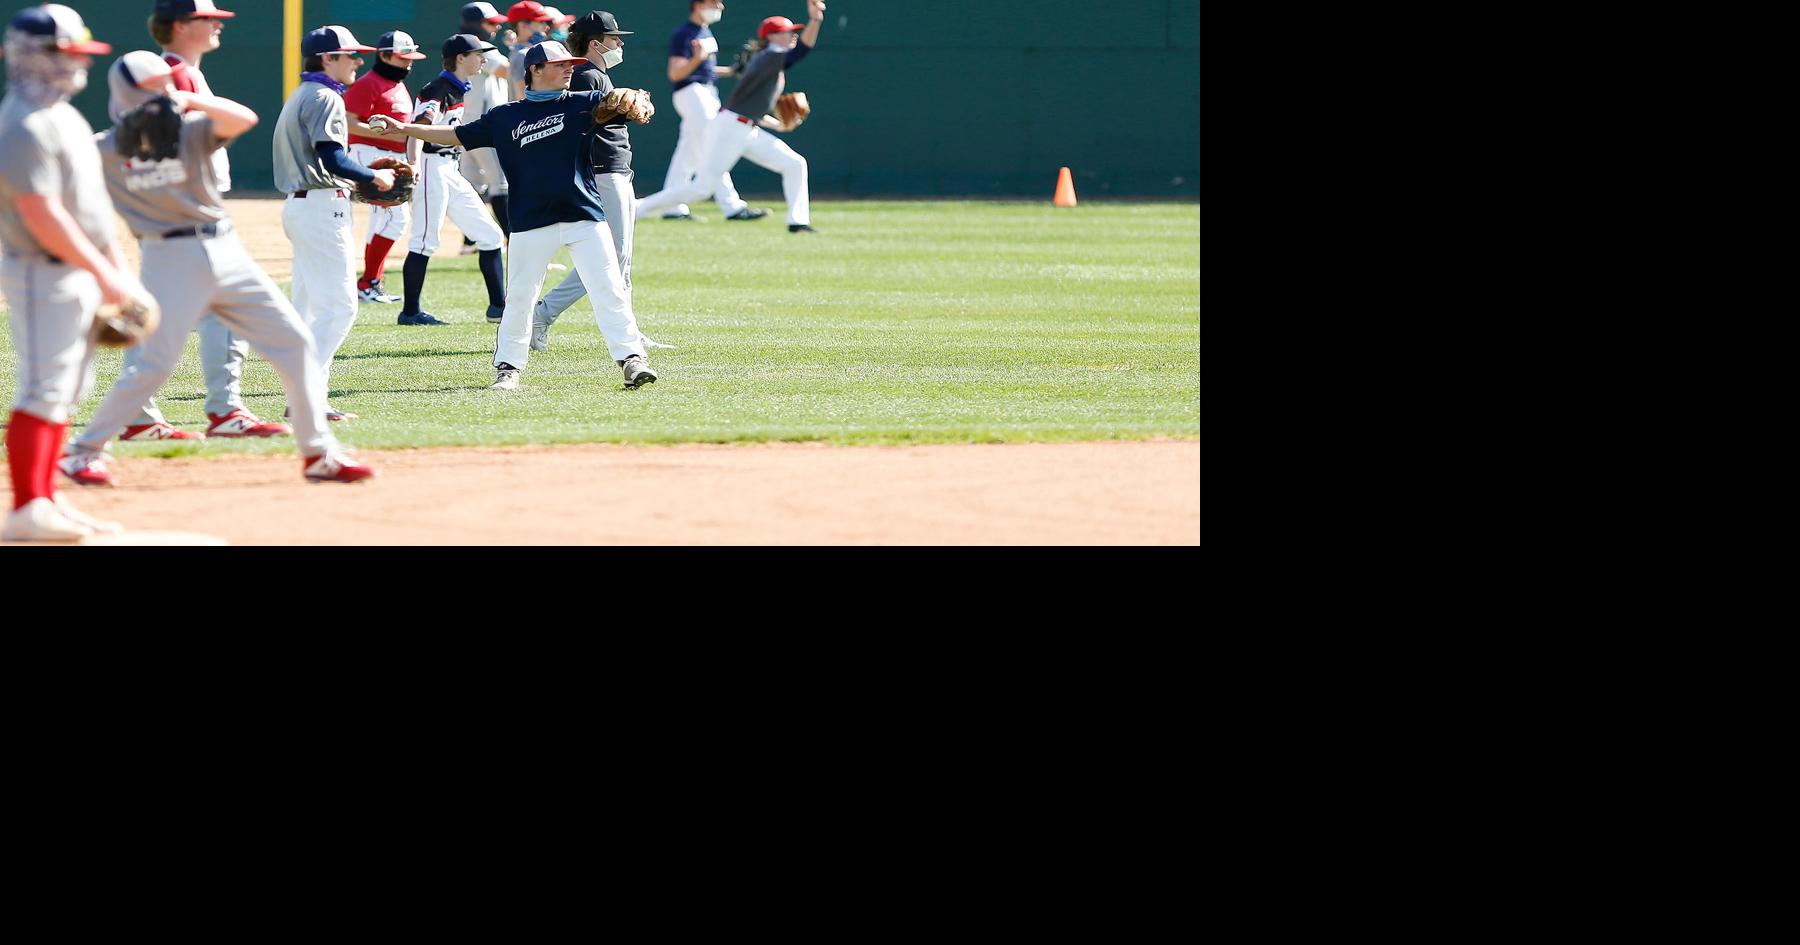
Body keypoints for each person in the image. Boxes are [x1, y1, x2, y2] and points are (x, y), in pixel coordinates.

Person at [59, 52, 376, 488]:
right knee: (153, 366)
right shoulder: (106, 147)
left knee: (295, 344)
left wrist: (187, 100)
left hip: (225, 248)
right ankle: (82, 452)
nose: (164, 92)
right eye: (155, 86)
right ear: (128, 94)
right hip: (168, 257)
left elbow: (243, 118)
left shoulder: (189, 130)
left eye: (169, 84)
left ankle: (319, 453)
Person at [368, 40, 657, 391]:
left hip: (583, 216)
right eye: (561, 64)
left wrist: (638, 98)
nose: (569, 69)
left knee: (608, 288)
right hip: (530, 221)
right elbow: (455, 134)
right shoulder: (505, 116)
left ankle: (632, 360)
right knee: (520, 297)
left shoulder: (584, 103)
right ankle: (508, 368)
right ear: (535, 69)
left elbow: (633, 103)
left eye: (571, 64)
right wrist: (403, 128)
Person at [118, 0, 286, 439]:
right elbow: (171, 152)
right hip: (187, 215)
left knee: (202, 314)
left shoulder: (180, 72)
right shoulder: (175, 75)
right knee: (204, 315)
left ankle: (191, 412)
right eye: (207, 18)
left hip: (184, 213)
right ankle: (209, 412)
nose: (217, 25)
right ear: (179, 25)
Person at [0, 3, 134, 540]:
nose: (79, 62)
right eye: (68, 52)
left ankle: (45, 501)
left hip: (76, 270)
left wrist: (117, 269)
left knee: (68, 388)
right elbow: (41, 212)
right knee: (44, 387)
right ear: (34, 56)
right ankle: (27, 508)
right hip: (42, 271)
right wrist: (103, 272)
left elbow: (90, 207)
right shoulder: (23, 124)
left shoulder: (63, 116)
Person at [272, 24, 400, 421]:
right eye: (350, 55)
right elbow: (333, 157)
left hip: (304, 206)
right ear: (328, 58)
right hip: (320, 208)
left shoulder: (303, 93)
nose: (358, 62)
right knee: (341, 308)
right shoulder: (325, 96)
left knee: (310, 309)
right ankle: (305, 396)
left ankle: (309, 399)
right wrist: (374, 176)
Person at [530, 11, 673, 353]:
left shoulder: (596, 75)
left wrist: (624, 109)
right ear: (595, 43)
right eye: (614, 38)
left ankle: (630, 333)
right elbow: (575, 124)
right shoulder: (585, 76)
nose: (620, 44)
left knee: (622, 260)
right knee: (611, 256)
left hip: (615, 169)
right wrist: (618, 109)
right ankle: (542, 314)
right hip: (601, 170)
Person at [635, 1, 823, 233]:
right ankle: (637, 208)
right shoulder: (771, 55)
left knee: (795, 164)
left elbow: (749, 106)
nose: (793, 36)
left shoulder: (768, 59)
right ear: (772, 37)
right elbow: (801, 50)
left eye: (795, 32)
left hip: (745, 127)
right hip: (731, 129)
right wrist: (815, 20)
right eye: (788, 32)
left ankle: (797, 221)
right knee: (701, 189)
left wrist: (776, 125)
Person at [394, 33, 507, 325]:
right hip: (431, 166)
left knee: (490, 236)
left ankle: (499, 308)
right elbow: (418, 129)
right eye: (478, 54)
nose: (483, 59)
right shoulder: (438, 90)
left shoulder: (457, 88)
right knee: (424, 241)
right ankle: (410, 312)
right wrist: (413, 163)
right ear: (460, 58)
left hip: (449, 168)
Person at [656, 0, 765, 223]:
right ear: (698, 4)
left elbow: (703, 69)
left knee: (687, 152)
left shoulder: (703, 31)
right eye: (714, 2)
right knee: (715, 145)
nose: (720, 7)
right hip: (691, 93)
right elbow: (675, 73)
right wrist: (698, 58)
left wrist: (730, 71)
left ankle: (672, 207)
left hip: (704, 91)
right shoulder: (684, 33)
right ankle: (732, 207)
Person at [344, 28, 426, 312]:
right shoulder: (368, 83)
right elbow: (349, 122)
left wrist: (410, 159)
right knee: (395, 218)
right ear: (385, 56)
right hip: (369, 154)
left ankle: (370, 283)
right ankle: (367, 282)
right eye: (403, 57)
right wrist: (387, 134)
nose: (408, 63)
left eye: (410, 57)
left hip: (391, 157)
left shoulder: (397, 84)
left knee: (382, 221)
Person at [455, 2, 511, 248]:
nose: (496, 27)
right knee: (500, 183)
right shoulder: (476, 47)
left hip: (467, 125)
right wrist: (519, 50)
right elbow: (509, 72)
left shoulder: (462, 45)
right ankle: (513, 239)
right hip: (483, 127)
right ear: (475, 24)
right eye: (491, 23)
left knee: (472, 186)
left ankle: (469, 242)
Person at [504, 1, 553, 101]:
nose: (546, 27)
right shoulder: (522, 55)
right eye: (540, 22)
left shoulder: (524, 52)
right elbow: (523, 96)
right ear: (523, 25)